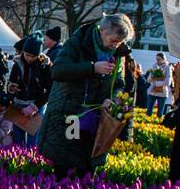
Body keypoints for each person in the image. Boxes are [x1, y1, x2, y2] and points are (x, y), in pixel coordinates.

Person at [37, 13, 135, 176]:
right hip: (70, 114)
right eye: (113, 41)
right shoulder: (77, 42)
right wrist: (92, 68)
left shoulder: (118, 53)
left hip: (96, 117)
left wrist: (111, 98)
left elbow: (119, 82)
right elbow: (58, 71)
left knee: (88, 166)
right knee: (65, 163)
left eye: (119, 43)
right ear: (102, 30)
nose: (115, 46)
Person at [7, 36, 51, 146]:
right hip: (19, 104)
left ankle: (30, 162)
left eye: (33, 56)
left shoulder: (44, 66)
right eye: (27, 55)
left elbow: (50, 90)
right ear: (23, 52)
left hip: (36, 106)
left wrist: (34, 106)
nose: (29, 58)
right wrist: (11, 88)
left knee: (33, 142)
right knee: (18, 140)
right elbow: (11, 81)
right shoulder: (17, 63)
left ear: (39, 55)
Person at [146, 52, 171, 117]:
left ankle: (158, 125)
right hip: (152, 91)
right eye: (156, 59)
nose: (157, 61)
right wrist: (151, 78)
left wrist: (157, 83)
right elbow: (149, 79)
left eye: (159, 59)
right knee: (148, 111)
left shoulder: (167, 67)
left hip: (162, 92)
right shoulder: (154, 66)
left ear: (163, 59)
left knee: (160, 113)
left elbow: (168, 81)